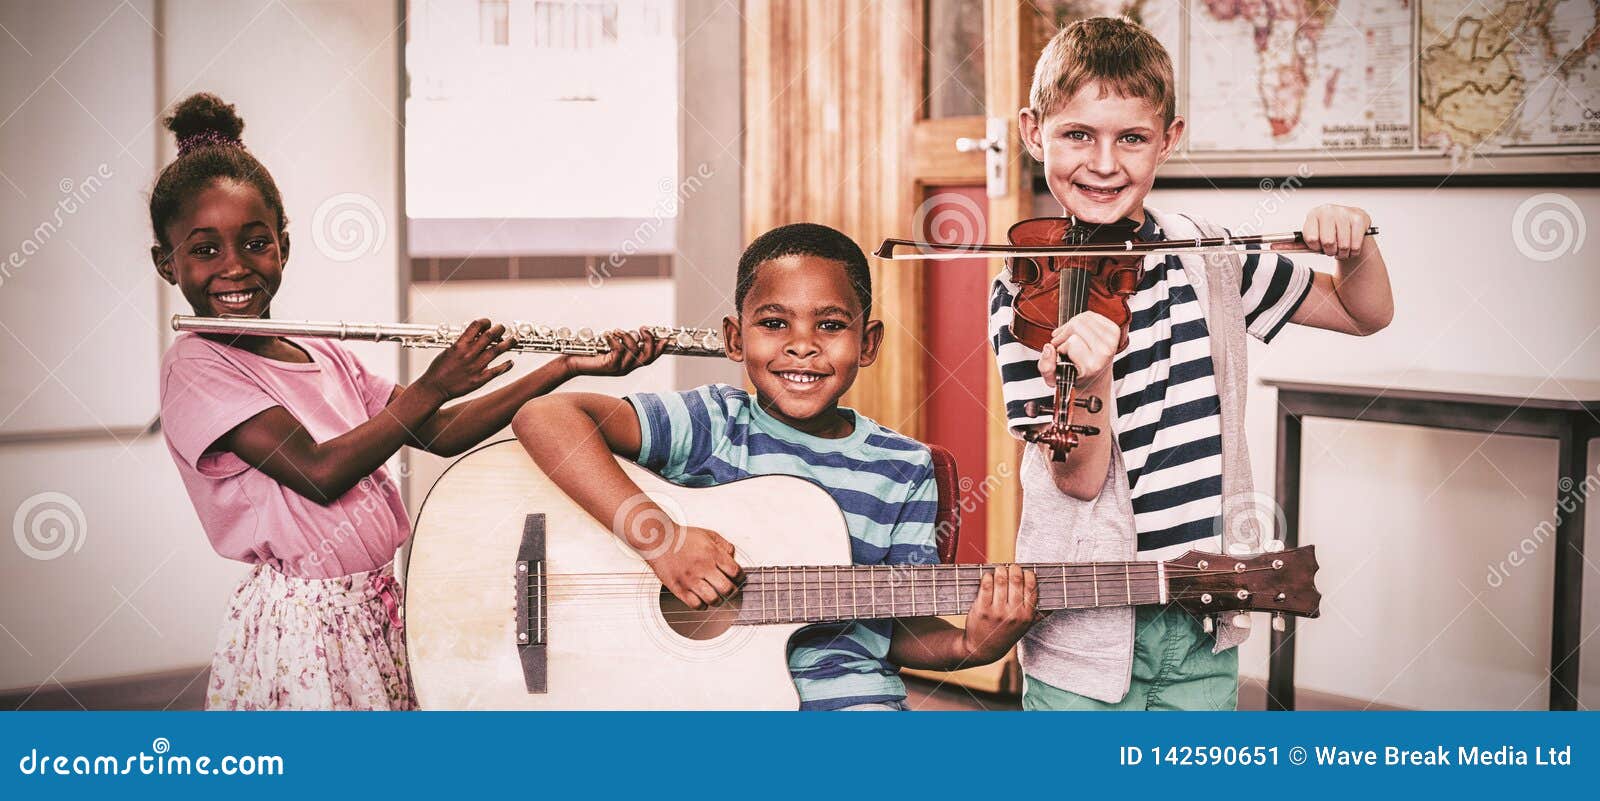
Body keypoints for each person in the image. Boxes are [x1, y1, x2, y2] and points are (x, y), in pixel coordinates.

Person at [153, 93, 660, 709]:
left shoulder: (314, 347)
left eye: (254, 243)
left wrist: (562, 366)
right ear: (166, 262)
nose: (234, 268)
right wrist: (433, 385)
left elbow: (436, 432)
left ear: (283, 246)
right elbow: (319, 471)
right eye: (205, 250)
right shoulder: (196, 365)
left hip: (373, 604)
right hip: (305, 627)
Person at [990, 17, 1393, 710]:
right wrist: (1091, 380)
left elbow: (1364, 312)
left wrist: (1356, 251)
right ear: (1033, 132)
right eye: (1078, 133)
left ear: (1169, 140)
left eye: (1132, 138)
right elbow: (1079, 481)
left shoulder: (1208, 258)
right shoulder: (1028, 289)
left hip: (1203, 615)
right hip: (1085, 628)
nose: (1105, 162)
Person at [514, 222, 1039, 710]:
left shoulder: (904, 467)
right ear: (735, 338)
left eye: (831, 325)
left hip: (847, 696)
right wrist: (660, 538)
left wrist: (971, 643)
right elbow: (546, 416)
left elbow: (897, 625)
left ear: (869, 342)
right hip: (701, 690)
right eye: (773, 323)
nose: (802, 346)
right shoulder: (713, 423)